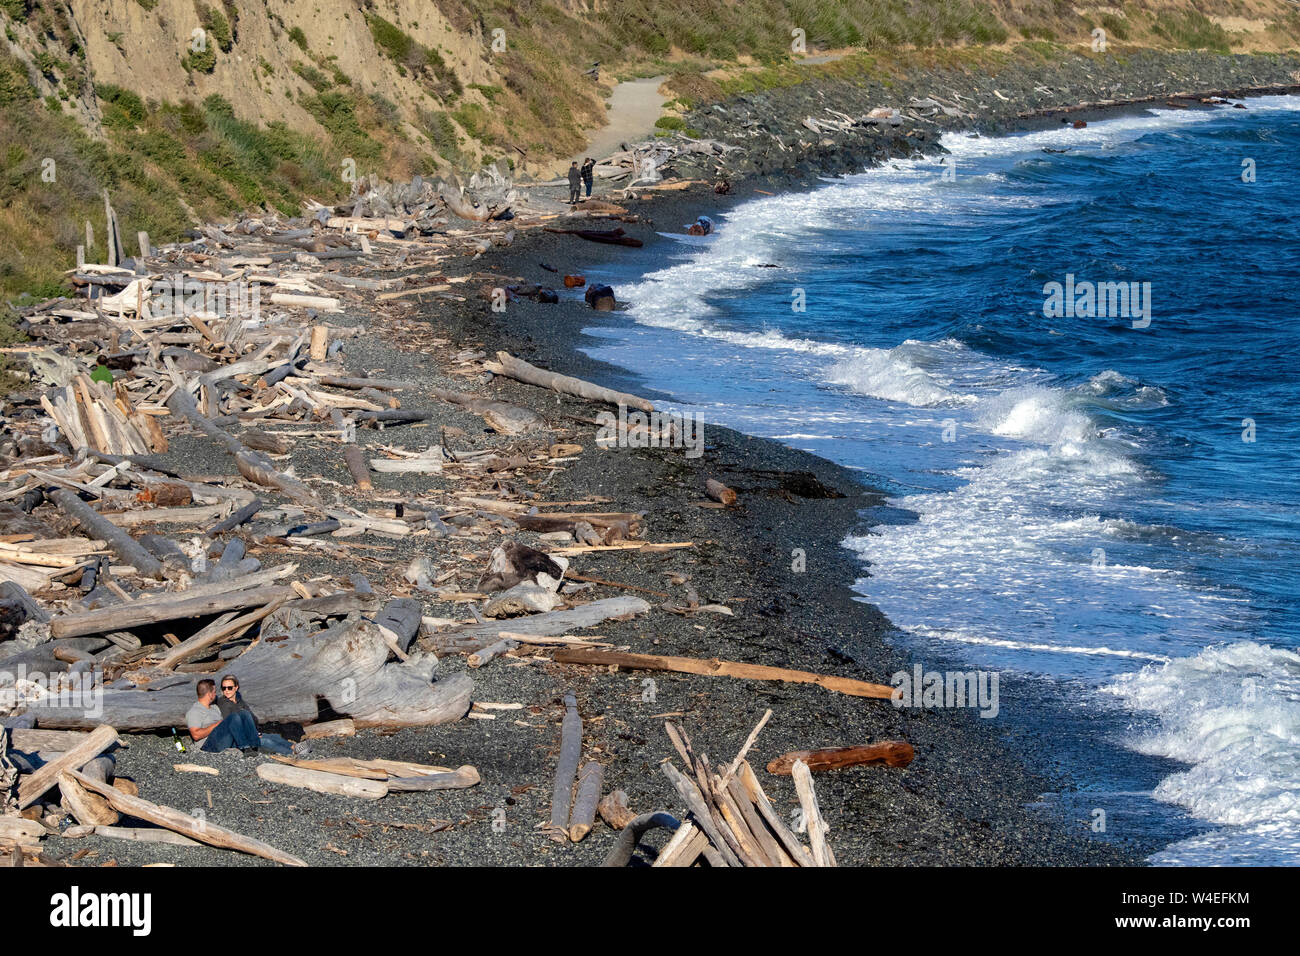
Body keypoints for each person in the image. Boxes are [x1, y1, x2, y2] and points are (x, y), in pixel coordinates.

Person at [215, 674, 300, 756]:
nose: (226, 690)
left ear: (236, 688)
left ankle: (295, 747)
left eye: (229, 688)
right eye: (224, 688)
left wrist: (254, 732)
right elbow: (232, 725)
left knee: (274, 736)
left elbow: (252, 718)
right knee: (267, 741)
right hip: (238, 739)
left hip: (250, 732)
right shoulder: (224, 704)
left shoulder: (239, 701)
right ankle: (291, 753)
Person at [186, 679, 260, 754]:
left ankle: (254, 746)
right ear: (209, 694)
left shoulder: (215, 707)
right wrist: (217, 724)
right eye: (214, 692)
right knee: (233, 716)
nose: (215, 694)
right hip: (208, 746)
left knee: (244, 713)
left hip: (224, 740)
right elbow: (196, 735)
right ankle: (245, 748)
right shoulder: (195, 711)